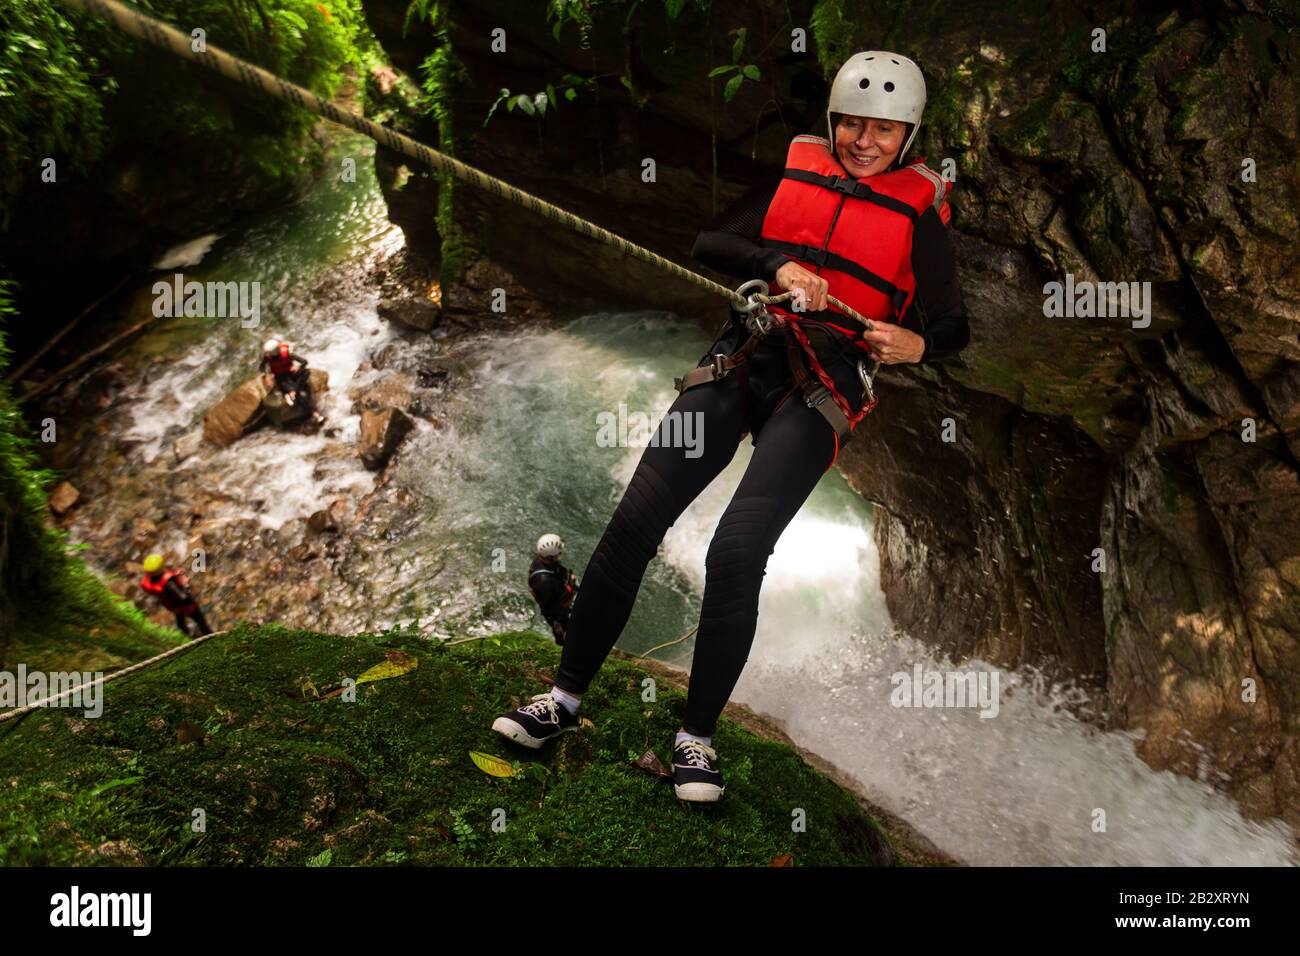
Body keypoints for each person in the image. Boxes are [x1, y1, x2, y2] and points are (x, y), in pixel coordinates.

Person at [492, 51, 971, 803]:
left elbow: (952, 325)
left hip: (820, 392)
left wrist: (918, 343)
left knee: (737, 550)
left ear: (908, 137)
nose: (863, 140)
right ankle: (564, 701)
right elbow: (711, 241)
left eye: (883, 130)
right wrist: (779, 266)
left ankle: (696, 739)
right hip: (744, 361)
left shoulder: (920, 220)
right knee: (634, 523)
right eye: (851, 123)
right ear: (832, 121)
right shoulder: (798, 173)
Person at [139, 553, 213, 637]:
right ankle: (210, 636)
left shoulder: (148, 581)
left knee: (180, 623)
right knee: (201, 622)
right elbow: (183, 597)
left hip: (173, 607)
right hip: (187, 606)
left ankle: (189, 635)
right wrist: (185, 584)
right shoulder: (169, 584)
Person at [527, 533, 579, 645]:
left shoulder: (541, 561)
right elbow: (552, 606)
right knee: (566, 631)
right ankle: (563, 645)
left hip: (554, 594)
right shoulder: (545, 581)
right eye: (558, 553)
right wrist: (570, 588)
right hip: (555, 611)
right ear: (550, 557)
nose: (560, 554)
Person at [259, 337, 317, 416]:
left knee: (306, 372)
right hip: (281, 378)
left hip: (291, 373)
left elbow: (304, 361)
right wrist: (266, 376)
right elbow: (262, 367)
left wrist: (299, 367)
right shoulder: (267, 357)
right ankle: (314, 413)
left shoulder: (288, 353)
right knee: (298, 396)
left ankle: (293, 392)